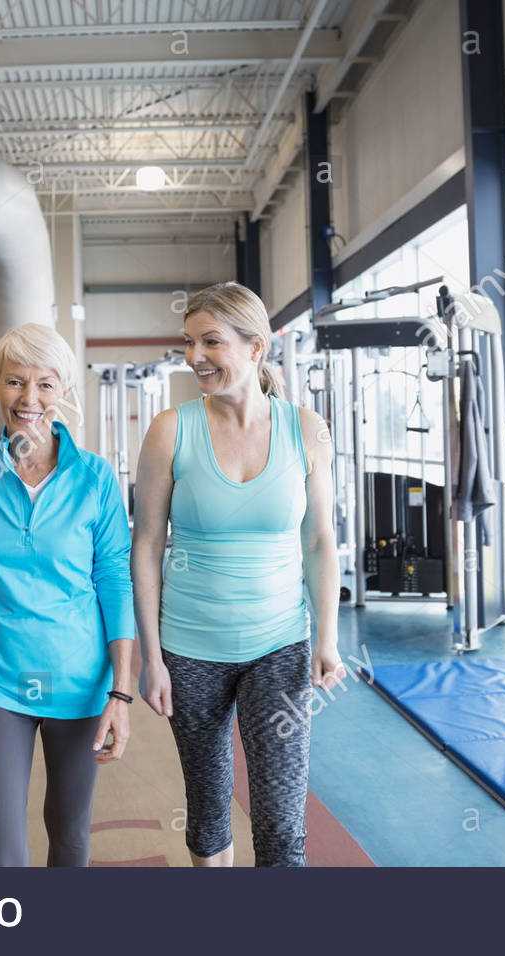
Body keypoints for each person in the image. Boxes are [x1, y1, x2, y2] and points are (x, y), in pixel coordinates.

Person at [131, 281, 344, 867]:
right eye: (189, 342)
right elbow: (146, 545)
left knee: (280, 819)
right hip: (189, 646)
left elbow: (321, 539)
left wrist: (326, 637)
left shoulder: (307, 429)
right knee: (208, 809)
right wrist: (151, 657)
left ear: (255, 348)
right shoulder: (170, 430)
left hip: (279, 642)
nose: (195, 356)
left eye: (211, 342)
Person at [0, 323, 134, 866]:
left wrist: (122, 692)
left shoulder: (96, 479)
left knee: (69, 836)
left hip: (81, 678)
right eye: (16, 382)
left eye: (45, 384)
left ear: (63, 390)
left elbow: (115, 581)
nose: (30, 399)